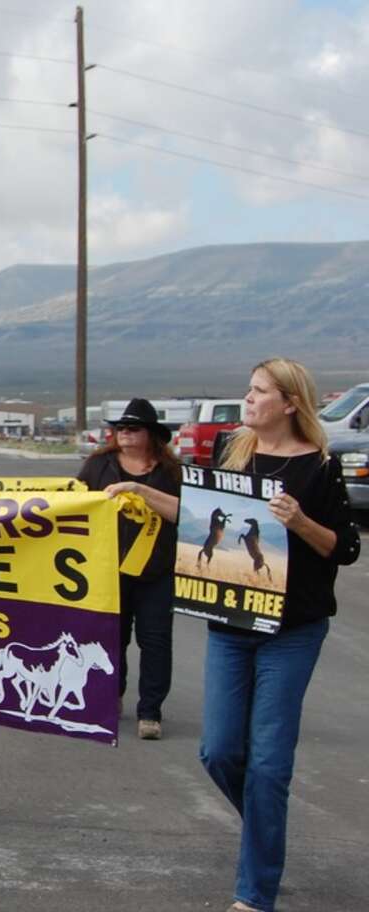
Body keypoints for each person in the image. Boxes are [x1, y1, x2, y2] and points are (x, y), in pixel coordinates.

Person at [201, 358, 359, 912]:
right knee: (219, 751)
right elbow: (202, 518)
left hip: (293, 630)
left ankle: (254, 893)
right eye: (247, 389)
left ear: (290, 403)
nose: (247, 399)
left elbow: (345, 547)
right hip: (231, 622)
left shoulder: (318, 466)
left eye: (259, 392)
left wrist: (300, 522)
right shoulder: (229, 450)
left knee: (269, 765)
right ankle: (264, 833)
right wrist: (146, 496)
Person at [76, 397, 181, 740]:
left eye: (132, 428)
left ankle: (150, 710)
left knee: (155, 641)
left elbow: (185, 514)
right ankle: (111, 696)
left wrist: (138, 490)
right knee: (110, 637)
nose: (124, 433)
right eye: (119, 428)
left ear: (151, 434)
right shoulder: (98, 466)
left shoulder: (170, 472)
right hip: (108, 570)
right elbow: (74, 504)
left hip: (157, 572)